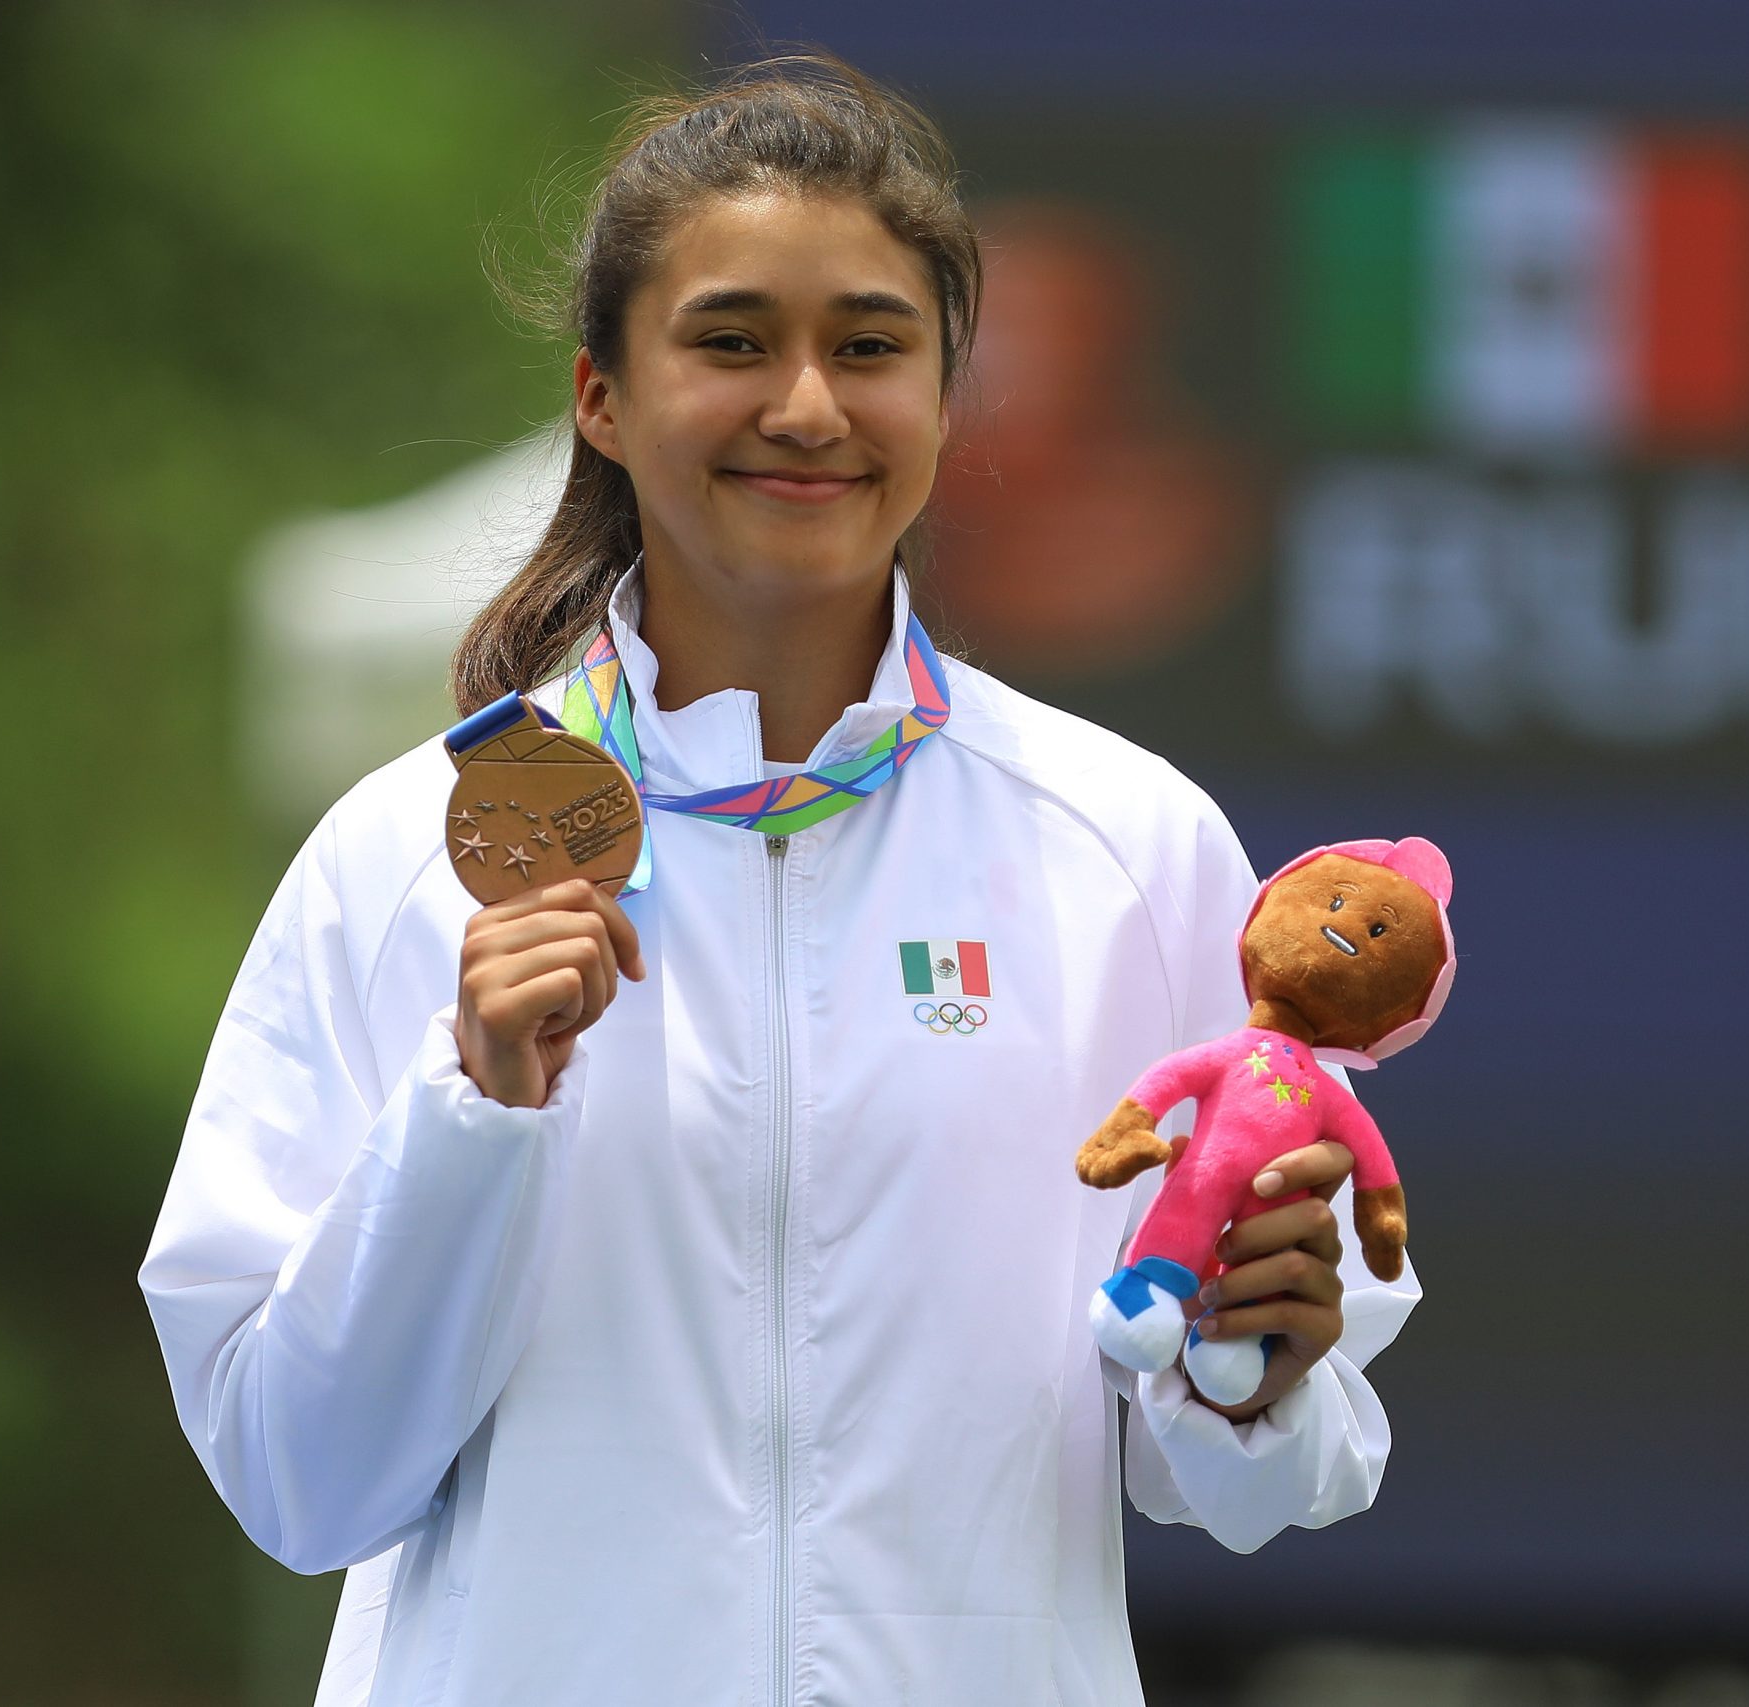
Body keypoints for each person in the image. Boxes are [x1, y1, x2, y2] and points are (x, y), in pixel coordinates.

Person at [139, 52, 1421, 1707]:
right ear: (602, 393)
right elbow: (295, 1481)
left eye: (871, 347)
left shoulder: (1125, 848)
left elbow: (1245, 1483)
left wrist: (1261, 1372)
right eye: (732, 342)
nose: (806, 405)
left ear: (950, 402)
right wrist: (471, 1111)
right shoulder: (404, 863)